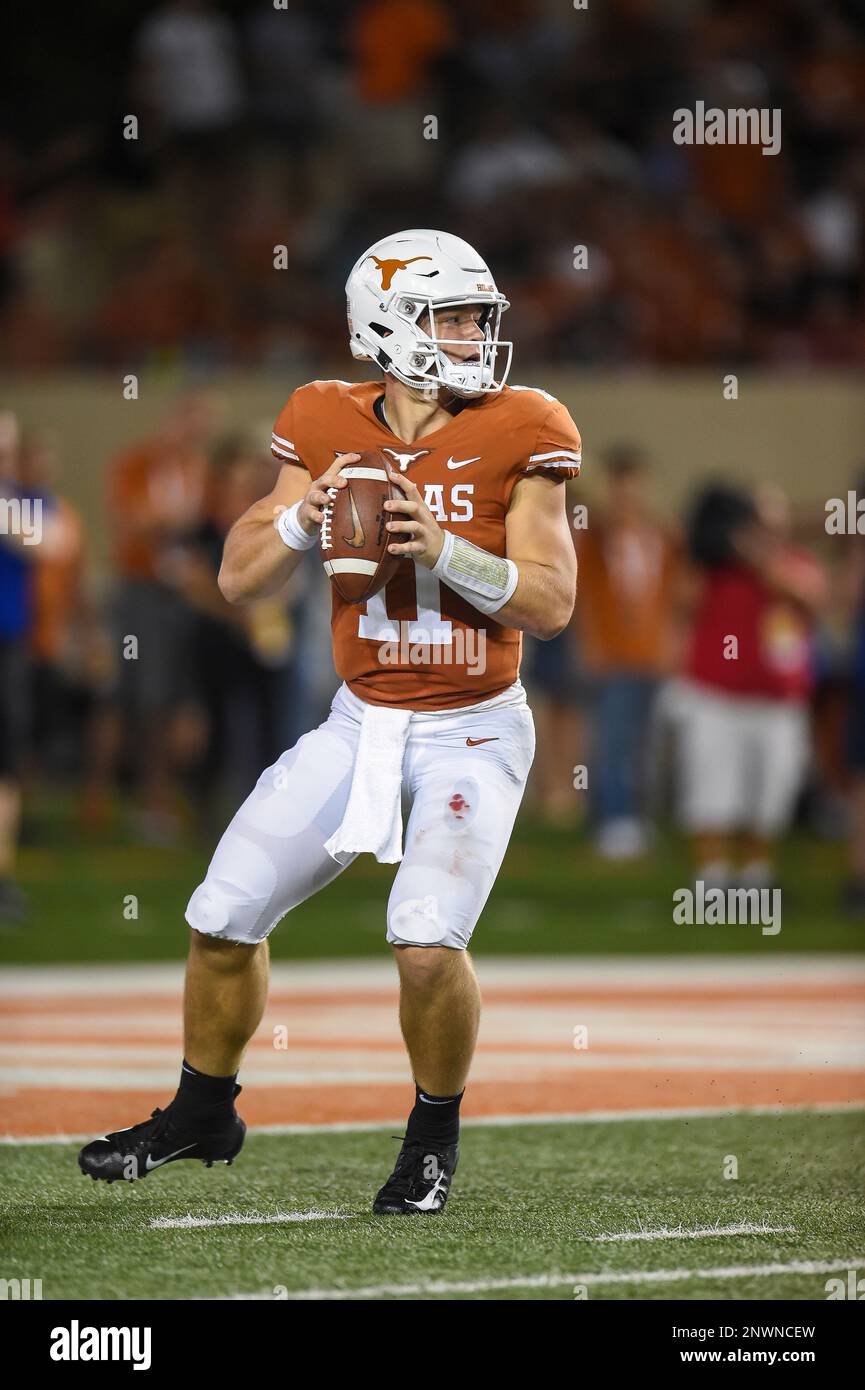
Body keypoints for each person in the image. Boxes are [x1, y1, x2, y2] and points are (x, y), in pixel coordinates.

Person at [78, 229, 582, 1213]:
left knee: (426, 940)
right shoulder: (320, 414)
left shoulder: (526, 422)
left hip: (473, 725)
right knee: (221, 916)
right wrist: (303, 518)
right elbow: (235, 575)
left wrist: (445, 550)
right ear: (389, 327)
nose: (478, 334)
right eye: (456, 316)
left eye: (481, 316)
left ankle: (432, 1138)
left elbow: (553, 602)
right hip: (360, 721)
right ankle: (202, 1109)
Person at [676, 483, 826, 890]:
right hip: (718, 699)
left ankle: (755, 877)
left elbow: (813, 597)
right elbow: (682, 600)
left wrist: (762, 562)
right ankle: (713, 878)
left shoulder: (795, 563)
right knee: (713, 790)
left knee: (771, 791)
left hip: (779, 704)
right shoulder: (715, 569)